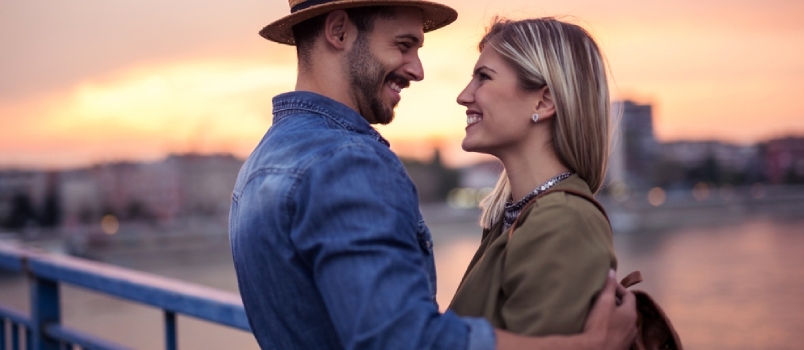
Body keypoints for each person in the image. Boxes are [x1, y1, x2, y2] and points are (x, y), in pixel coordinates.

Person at [229, 1, 637, 349]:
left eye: (484, 76)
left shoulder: (266, 162)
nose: (419, 70)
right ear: (338, 31)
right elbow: (402, 340)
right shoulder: (345, 161)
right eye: (403, 45)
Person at [448, 16, 621, 337]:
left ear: (544, 101)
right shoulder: (513, 218)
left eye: (483, 78)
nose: (464, 96)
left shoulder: (562, 221)